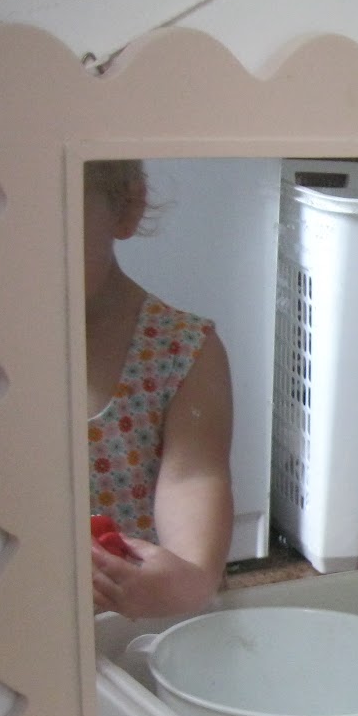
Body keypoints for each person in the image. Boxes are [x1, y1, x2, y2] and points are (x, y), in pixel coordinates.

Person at [84, 159, 234, 619]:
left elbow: (194, 476)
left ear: (126, 206)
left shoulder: (179, 349)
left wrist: (190, 575)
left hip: (132, 615)